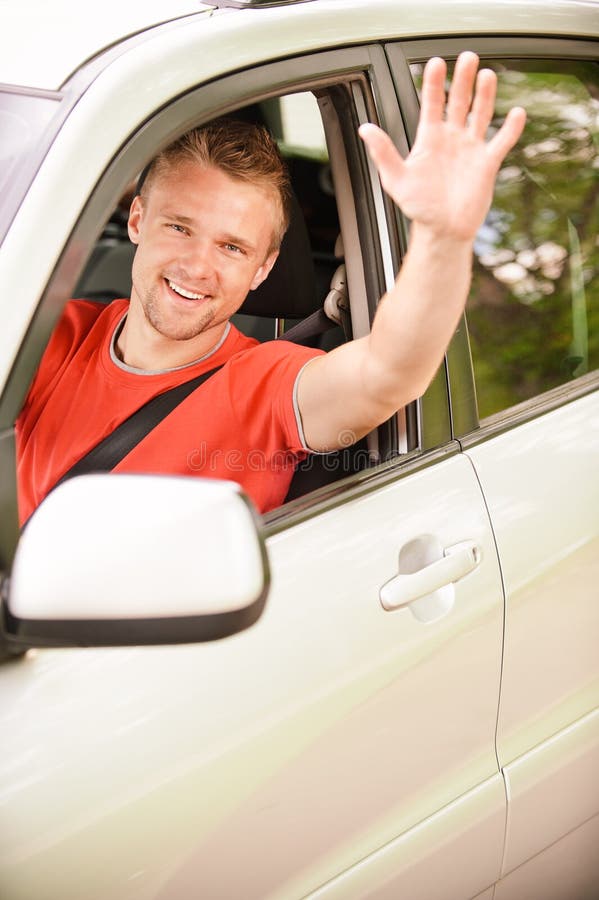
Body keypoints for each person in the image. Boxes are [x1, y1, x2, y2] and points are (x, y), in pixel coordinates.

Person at [16, 52, 526, 525]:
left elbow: (389, 370)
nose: (197, 266)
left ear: (263, 269)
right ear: (136, 219)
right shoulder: (50, 333)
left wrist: (442, 238)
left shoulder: (266, 384)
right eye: (179, 228)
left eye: (232, 248)